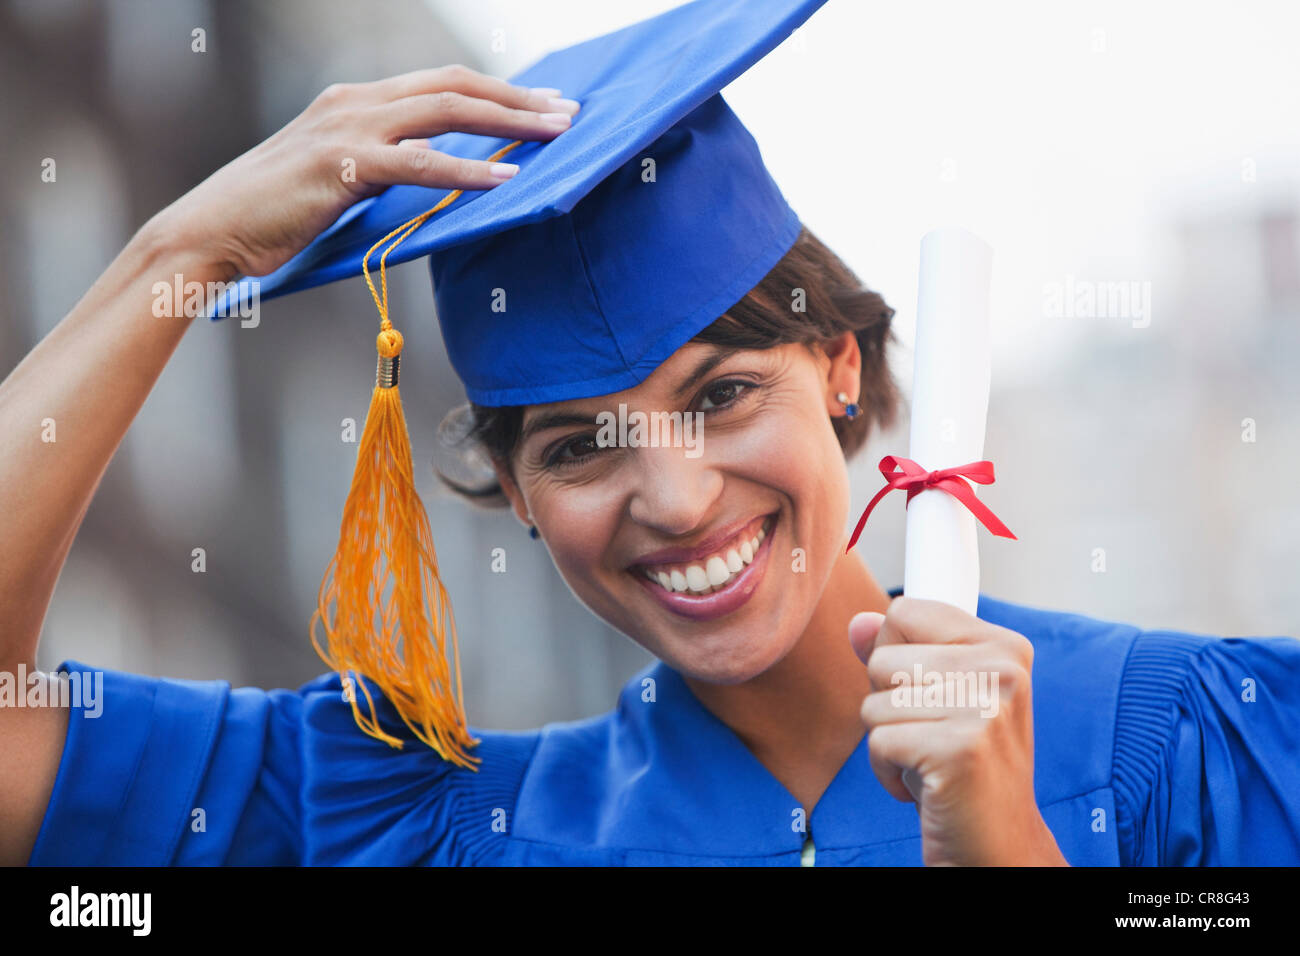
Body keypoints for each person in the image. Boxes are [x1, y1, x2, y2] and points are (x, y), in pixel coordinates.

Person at [4, 0, 1299, 867]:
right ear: (510, 489)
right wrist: (177, 252)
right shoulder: (445, 828)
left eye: (724, 393)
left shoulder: (1198, 743)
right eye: (576, 447)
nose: (675, 499)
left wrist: (1009, 840)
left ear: (839, 365)